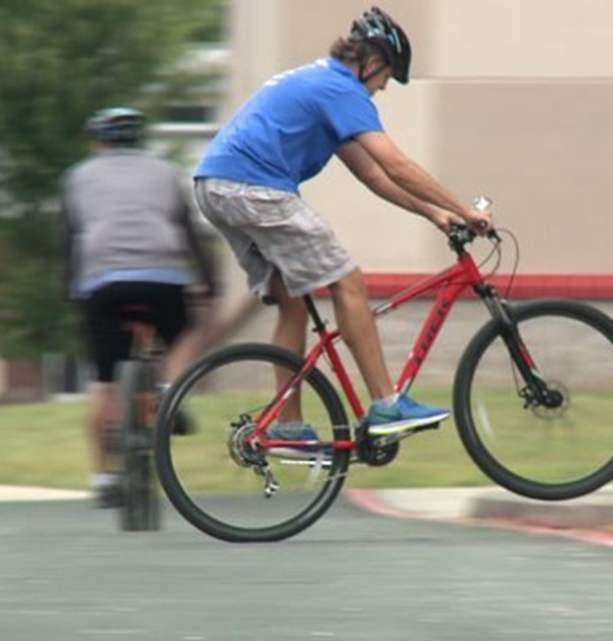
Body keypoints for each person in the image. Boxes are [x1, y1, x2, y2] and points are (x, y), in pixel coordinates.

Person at [192, 6, 492, 452]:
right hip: (254, 189)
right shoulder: (341, 88)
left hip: (216, 187)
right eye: (386, 75)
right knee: (348, 282)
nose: (384, 87)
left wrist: (434, 215)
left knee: (293, 301)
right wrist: (464, 210)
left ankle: (286, 427)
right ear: (370, 61)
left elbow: (374, 176)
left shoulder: (320, 84)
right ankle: (386, 405)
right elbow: (396, 164)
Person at [61, 107, 219, 508]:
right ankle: (169, 388)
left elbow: (70, 238)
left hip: (103, 284)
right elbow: (188, 228)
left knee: (105, 385)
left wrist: (72, 290)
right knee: (191, 329)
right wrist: (208, 282)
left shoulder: (78, 176)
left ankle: (102, 478)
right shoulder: (165, 171)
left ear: (100, 142)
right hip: (163, 278)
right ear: (140, 140)